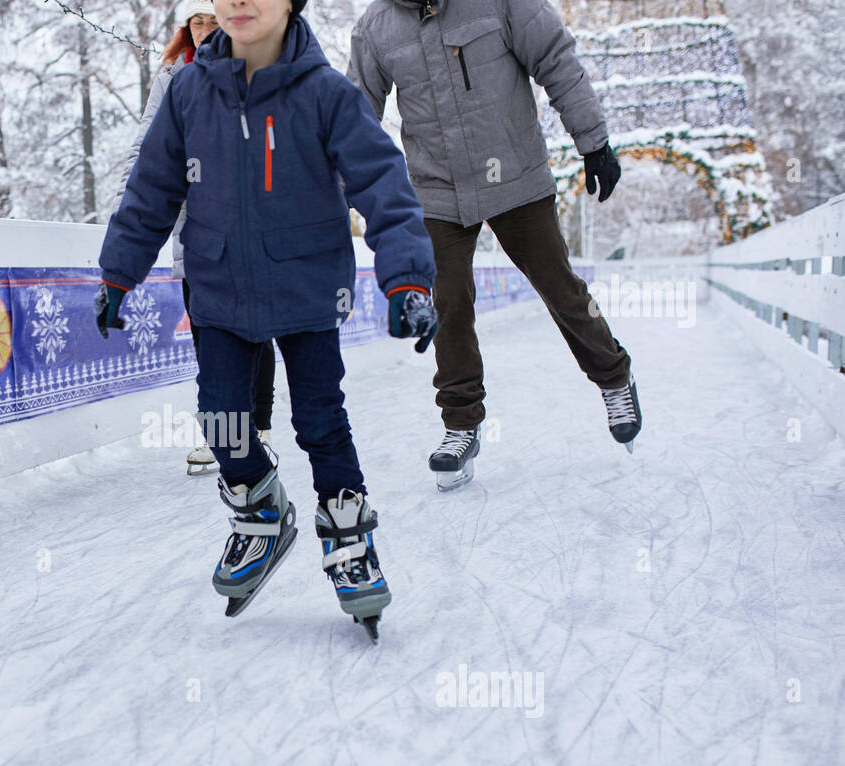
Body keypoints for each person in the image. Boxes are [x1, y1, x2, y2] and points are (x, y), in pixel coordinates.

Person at [94, 0, 438, 640]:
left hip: (306, 287)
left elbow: (384, 186)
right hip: (219, 286)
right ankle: (260, 511)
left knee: (320, 422)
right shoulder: (189, 91)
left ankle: (348, 536)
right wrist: (119, 272)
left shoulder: (326, 93)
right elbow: (152, 188)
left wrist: (408, 279)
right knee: (222, 418)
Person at [347, 0, 642, 492]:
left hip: (516, 176)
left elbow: (556, 59)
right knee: (449, 302)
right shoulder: (375, 28)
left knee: (560, 288)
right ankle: (460, 425)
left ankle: (614, 378)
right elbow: (354, 118)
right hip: (437, 190)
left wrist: (593, 142)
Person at [110, 0, 277, 477]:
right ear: (187, 29)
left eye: (211, 20)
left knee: (251, 323)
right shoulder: (172, 75)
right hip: (192, 222)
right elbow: (146, 143)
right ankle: (226, 434)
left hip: (248, 216)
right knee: (206, 325)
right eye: (196, 22)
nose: (205, 30)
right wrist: (127, 210)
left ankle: (257, 426)